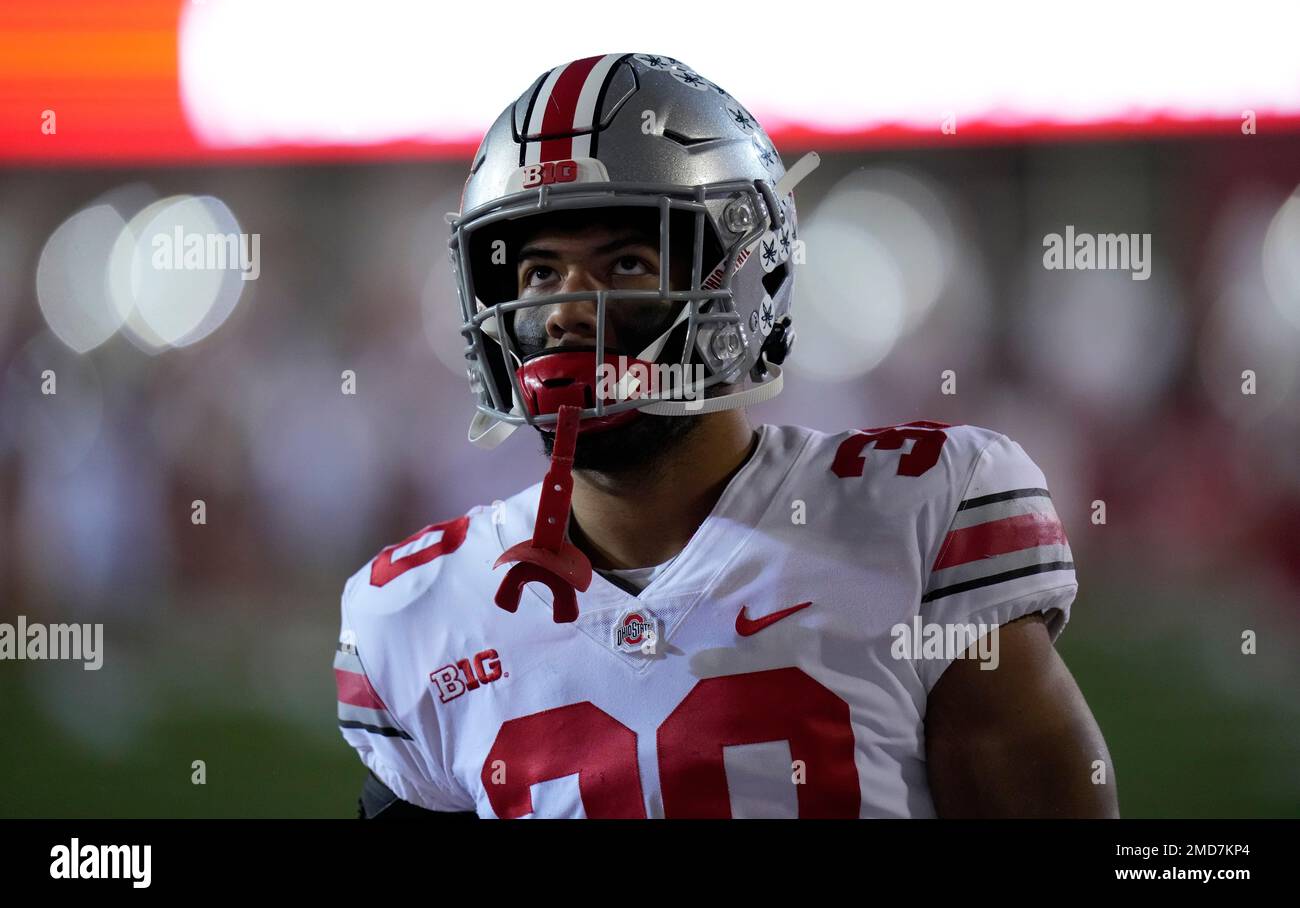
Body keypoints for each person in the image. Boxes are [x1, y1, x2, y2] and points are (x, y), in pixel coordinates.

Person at [336, 53, 1118, 818]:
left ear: (743, 283)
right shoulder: (416, 613)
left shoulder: (919, 514)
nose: (570, 310)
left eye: (628, 262)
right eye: (540, 273)